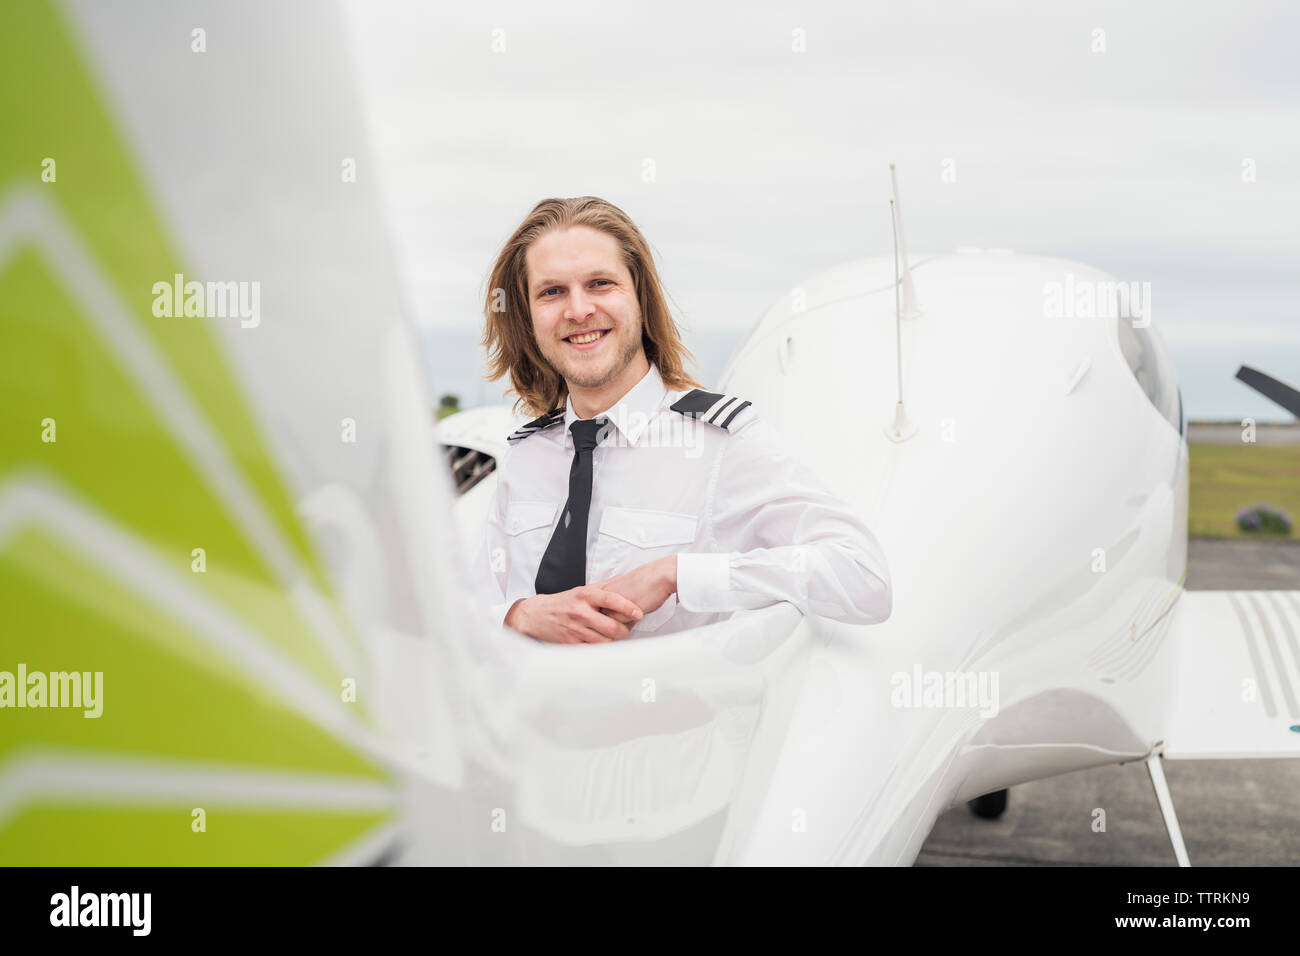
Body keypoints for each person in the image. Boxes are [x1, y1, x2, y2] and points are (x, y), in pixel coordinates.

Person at [470, 196, 891, 644]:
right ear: (528, 317)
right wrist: (517, 615)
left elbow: (864, 577)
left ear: (641, 299)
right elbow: (463, 613)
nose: (577, 310)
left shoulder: (721, 443)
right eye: (551, 292)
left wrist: (676, 575)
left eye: (600, 284)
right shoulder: (527, 457)